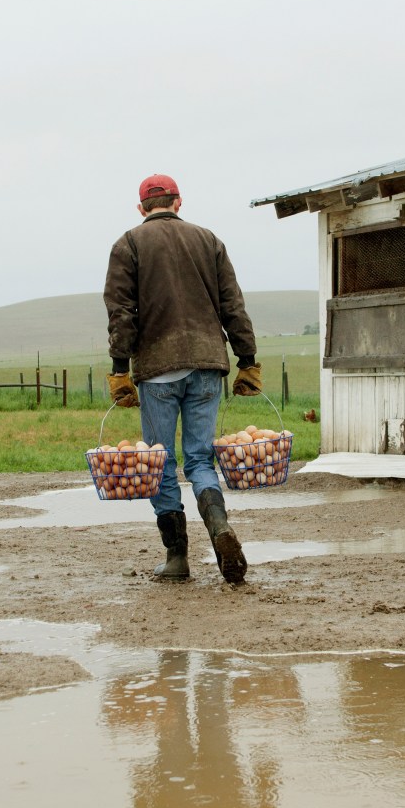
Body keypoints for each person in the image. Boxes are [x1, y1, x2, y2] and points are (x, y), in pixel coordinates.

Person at [103, 174, 262, 584]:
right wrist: (247, 358)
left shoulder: (129, 244)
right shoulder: (209, 240)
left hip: (158, 370)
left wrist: (120, 368)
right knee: (199, 459)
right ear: (178, 203)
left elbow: (121, 312)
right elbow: (233, 303)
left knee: (161, 462)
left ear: (141, 209)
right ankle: (220, 529)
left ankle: (177, 559)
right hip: (208, 363)